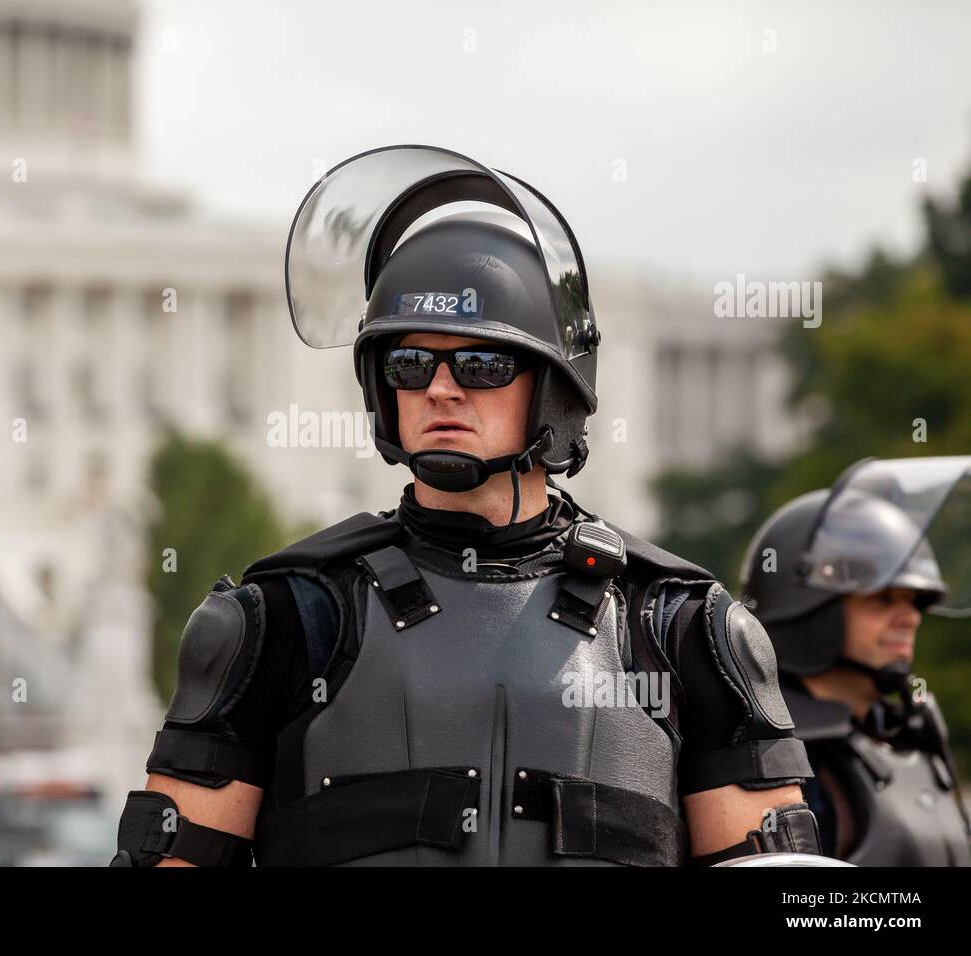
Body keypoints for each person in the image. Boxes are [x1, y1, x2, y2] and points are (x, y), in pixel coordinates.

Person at [112, 145, 820, 867]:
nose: (440, 389)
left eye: (481, 364)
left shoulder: (680, 627)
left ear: (553, 388)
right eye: (409, 363)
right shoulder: (285, 620)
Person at [741, 456, 971, 865]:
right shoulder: (773, 758)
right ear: (810, 610)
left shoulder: (903, 738)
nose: (911, 617)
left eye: (914, 601)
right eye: (882, 599)